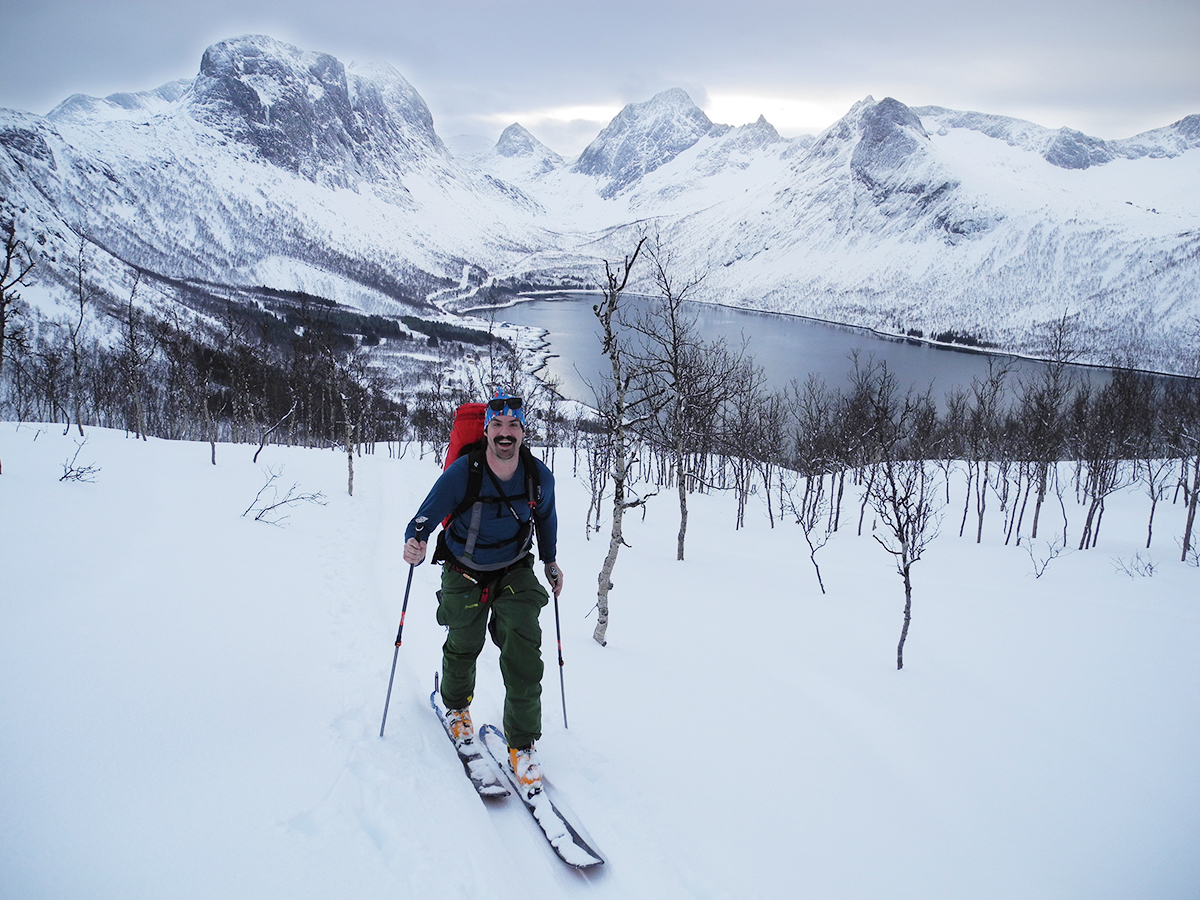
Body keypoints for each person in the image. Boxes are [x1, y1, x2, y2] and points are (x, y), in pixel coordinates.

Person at [403, 389, 563, 797]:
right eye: (497, 425)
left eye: (513, 426)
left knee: (524, 649)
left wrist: (550, 561)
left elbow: (545, 519)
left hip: (514, 568)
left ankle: (522, 744)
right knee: (464, 643)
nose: (505, 434)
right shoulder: (464, 472)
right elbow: (427, 514)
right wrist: (414, 540)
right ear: (487, 430)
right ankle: (457, 707)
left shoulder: (537, 477)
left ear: (523, 431)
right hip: (464, 571)